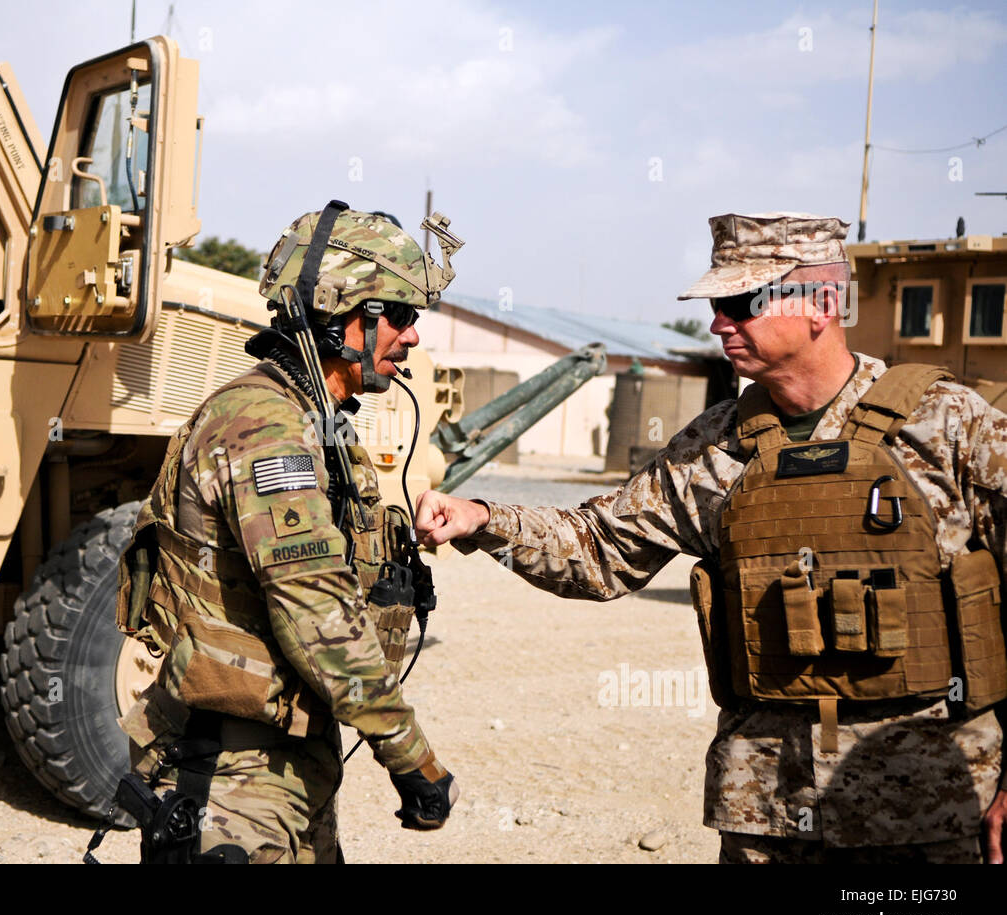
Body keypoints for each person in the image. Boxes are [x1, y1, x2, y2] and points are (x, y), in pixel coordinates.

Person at [416, 211, 1007, 864]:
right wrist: (482, 518)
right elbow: (601, 547)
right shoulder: (713, 445)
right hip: (767, 814)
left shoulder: (950, 425)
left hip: (928, 812)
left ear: (824, 303)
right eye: (717, 304)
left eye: (741, 302)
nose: (719, 322)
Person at [113, 200, 460, 863]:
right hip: (231, 773)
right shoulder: (264, 426)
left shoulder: (320, 425)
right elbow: (317, 612)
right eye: (403, 316)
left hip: (289, 754)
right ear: (344, 316)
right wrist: (412, 758)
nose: (413, 337)